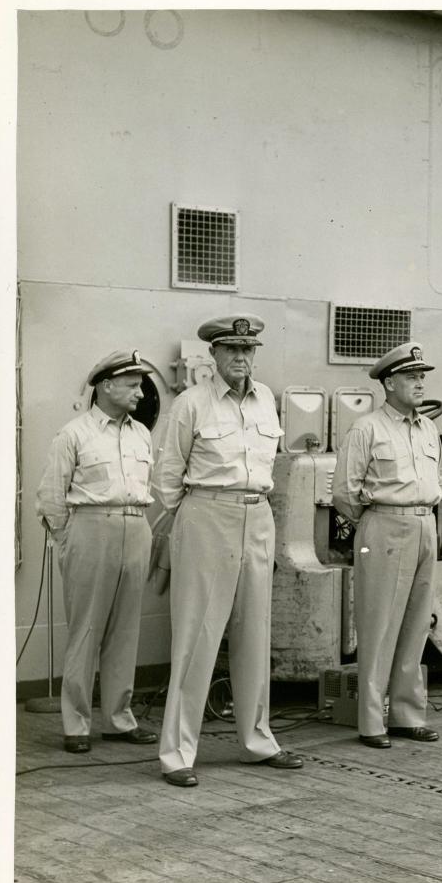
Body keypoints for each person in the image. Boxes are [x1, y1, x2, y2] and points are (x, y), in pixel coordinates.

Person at [151, 314, 302, 787]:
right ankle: (177, 753)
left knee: (254, 634)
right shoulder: (191, 404)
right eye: (231, 350)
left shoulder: (266, 403)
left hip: (257, 515)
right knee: (196, 635)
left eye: (248, 350)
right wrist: (194, 517)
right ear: (212, 355)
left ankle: (258, 740)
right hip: (206, 515)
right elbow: (166, 477)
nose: (241, 357)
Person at [35, 350, 159, 754]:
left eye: (140, 384)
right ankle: (76, 724)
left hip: (135, 526)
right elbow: (52, 497)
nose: (140, 392)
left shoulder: (141, 434)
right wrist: (69, 539)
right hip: (91, 528)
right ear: (106, 386)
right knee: (86, 628)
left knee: (125, 630)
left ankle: (119, 720)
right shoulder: (74, 434)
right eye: (132, 383)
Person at [332, 342, 442, 749]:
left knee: (417, 626)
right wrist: (376, 524)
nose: (420, 383)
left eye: (422, 376)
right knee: (378, 627)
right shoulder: (368, 428)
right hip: (384, 526)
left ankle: (407, 715)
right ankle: (371, 722)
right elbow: (344, 492)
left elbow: (435, 484)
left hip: (424, 527)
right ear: (389, 382)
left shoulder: (428, 428)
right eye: (412, 377)